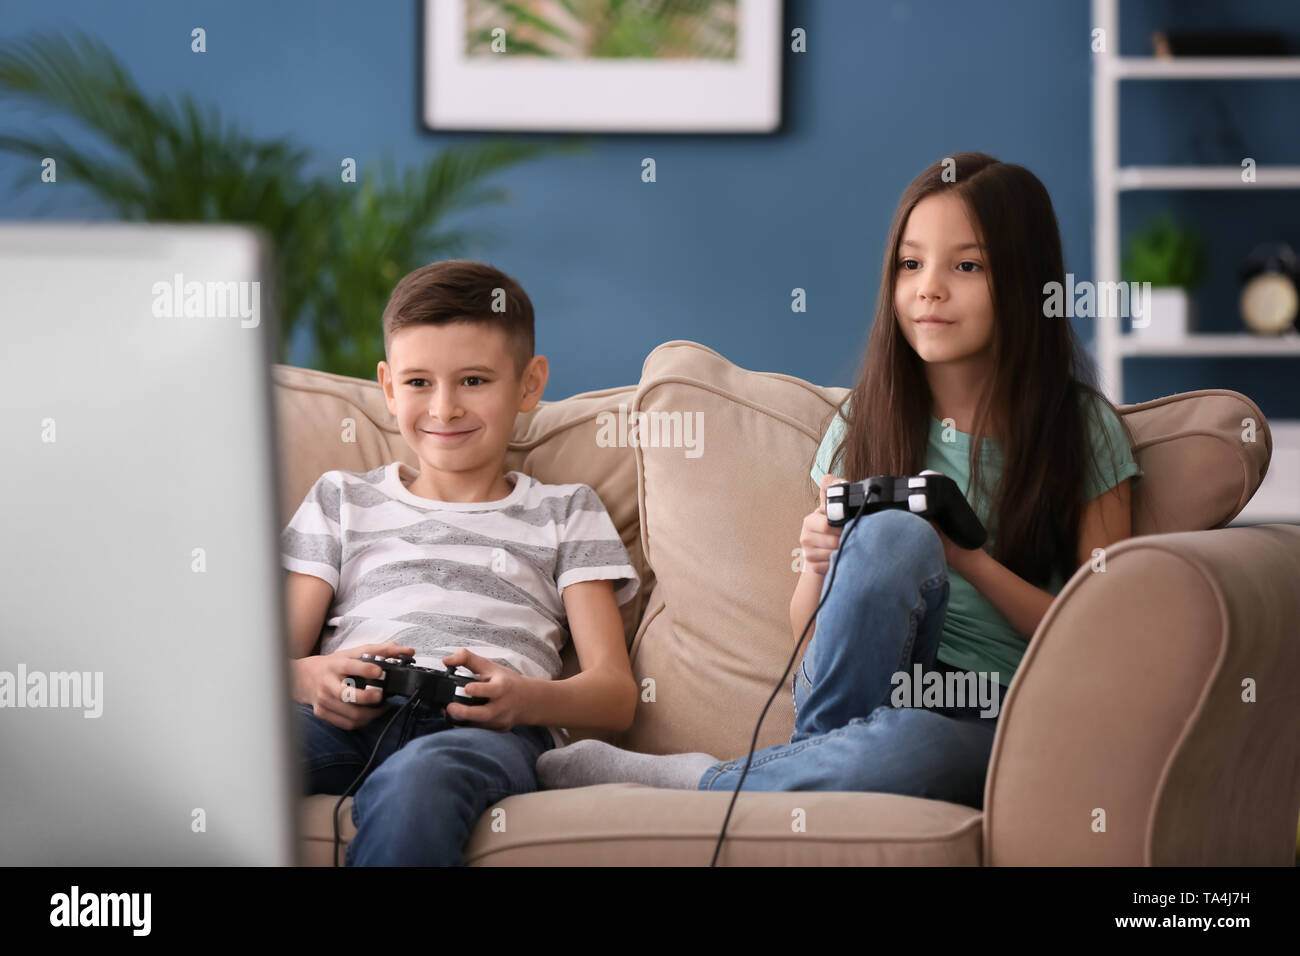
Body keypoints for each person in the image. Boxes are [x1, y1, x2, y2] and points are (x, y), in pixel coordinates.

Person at [537, 152, 1143, 808]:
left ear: (1026, 282)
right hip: (863, 692)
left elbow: (1102, 635)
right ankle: (823, 779)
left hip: (1000, 710)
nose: (928, 289)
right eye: (910, 264)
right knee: (890, 538)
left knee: (920, 745)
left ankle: (709, 783)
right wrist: (820, 566)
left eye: (966, 266)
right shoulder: (866, 421)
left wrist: (968, 560)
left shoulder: (1081, 428)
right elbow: (812, 636)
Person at [283, 259, 640, 864]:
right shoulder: (341, 499)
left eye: (474, 381)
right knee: (221, 754)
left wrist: (525, 699)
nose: (444, 409)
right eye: (419, 382)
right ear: (389, 387)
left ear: (530, 384)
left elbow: (615, 695)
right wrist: (311, 675)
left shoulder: (566, 511)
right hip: (348, 719)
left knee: (419, 782)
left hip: (485, 733)